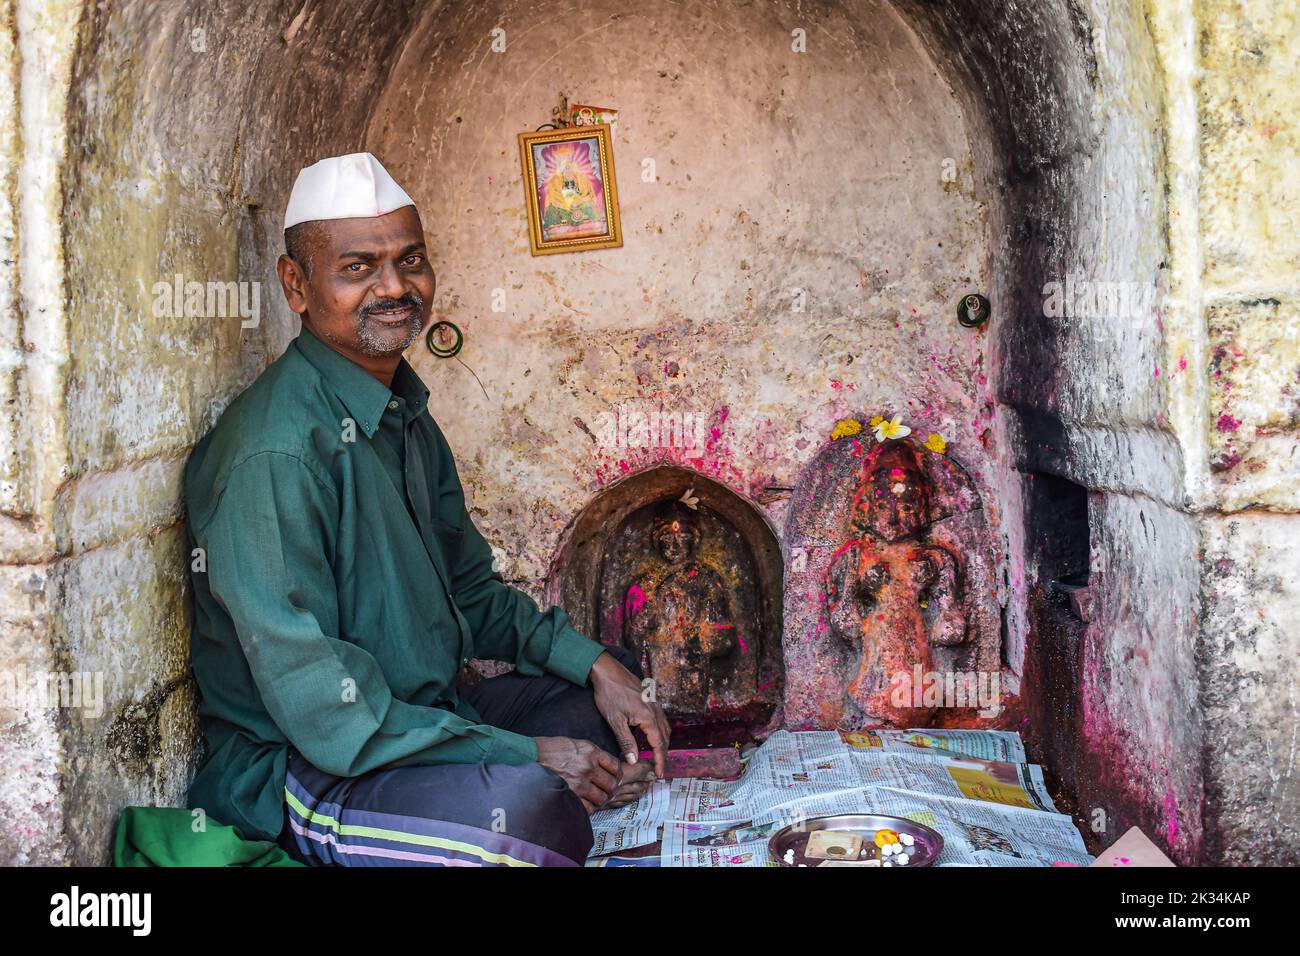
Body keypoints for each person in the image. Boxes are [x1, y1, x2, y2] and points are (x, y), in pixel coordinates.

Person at [183, 152, 669, 867]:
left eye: (411, 260)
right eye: (357, 268)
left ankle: (546, 778)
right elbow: (334, 719)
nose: (394, 287)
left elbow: (472, 594)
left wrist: (597, 664)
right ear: (297, 284)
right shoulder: (274, 455)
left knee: (607, 690)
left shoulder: (403, 413)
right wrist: (529, 755)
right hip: (314, 770)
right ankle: (539, 799)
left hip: (431, 717)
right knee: (527, 817)